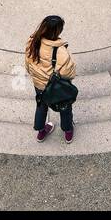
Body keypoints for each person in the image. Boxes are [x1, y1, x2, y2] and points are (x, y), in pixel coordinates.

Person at [25, 14, 77, 143]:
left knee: (41, 107)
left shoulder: (32, 42)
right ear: (57, 31)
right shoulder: (60, 51)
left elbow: (27, 65)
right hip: (56, 87)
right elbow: (69, 73)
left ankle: (41, 132)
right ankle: (68, 132)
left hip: (39, 85)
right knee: (65, 108)